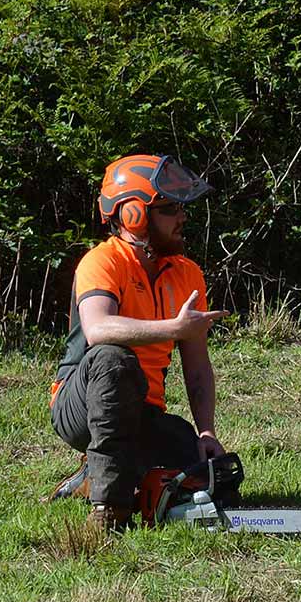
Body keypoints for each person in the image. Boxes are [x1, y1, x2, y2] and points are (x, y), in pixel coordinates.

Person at [48, 154, 228, 532]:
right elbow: (97, 329)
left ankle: (93, 477)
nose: (182, 217)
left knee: (206, 477)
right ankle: (108, 510)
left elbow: (197, 367)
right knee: (114, 360)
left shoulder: (188, 272)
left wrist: (207, 432)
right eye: (169, 209)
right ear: (134, 215)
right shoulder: (101, 262)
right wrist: (172, 328)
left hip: (143, 410)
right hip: (79, 404)